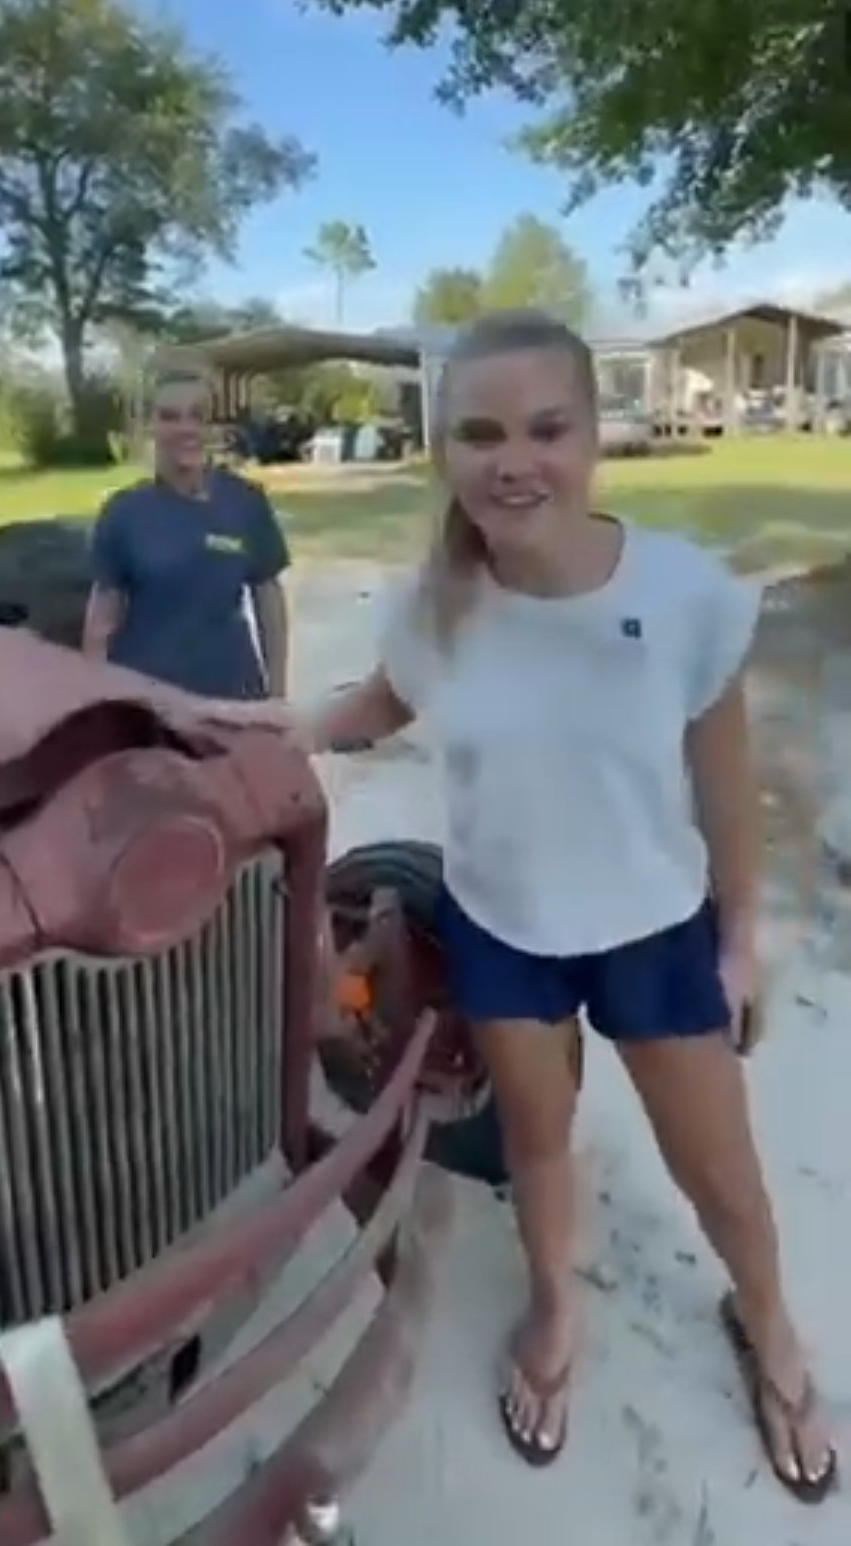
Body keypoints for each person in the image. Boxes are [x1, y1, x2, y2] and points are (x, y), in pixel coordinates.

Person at [208, 309, 837, 1501]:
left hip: (655, 931)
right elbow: (369, 710)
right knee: (537, 1146)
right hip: (502, 931)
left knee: (724, 1176)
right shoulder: (437, 606)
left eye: (547, 428)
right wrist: (239, 724)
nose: (515, 459)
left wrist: (743, 939)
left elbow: (724, 775)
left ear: (596, 434)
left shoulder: (682, 592)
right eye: (480, 433)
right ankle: (555, 1316)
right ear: (445, 451)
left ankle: (773, 1329)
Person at [82, 357, 290, 699]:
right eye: (169, 416)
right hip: (147, 704)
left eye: (198, 415)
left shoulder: (246, 502)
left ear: (212, 427)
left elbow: (269, 602)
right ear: (149, 425)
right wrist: (96, 704)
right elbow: (100, 623)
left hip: (232, 696)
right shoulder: (124, 512)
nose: (185, 428)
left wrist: (278, 695)